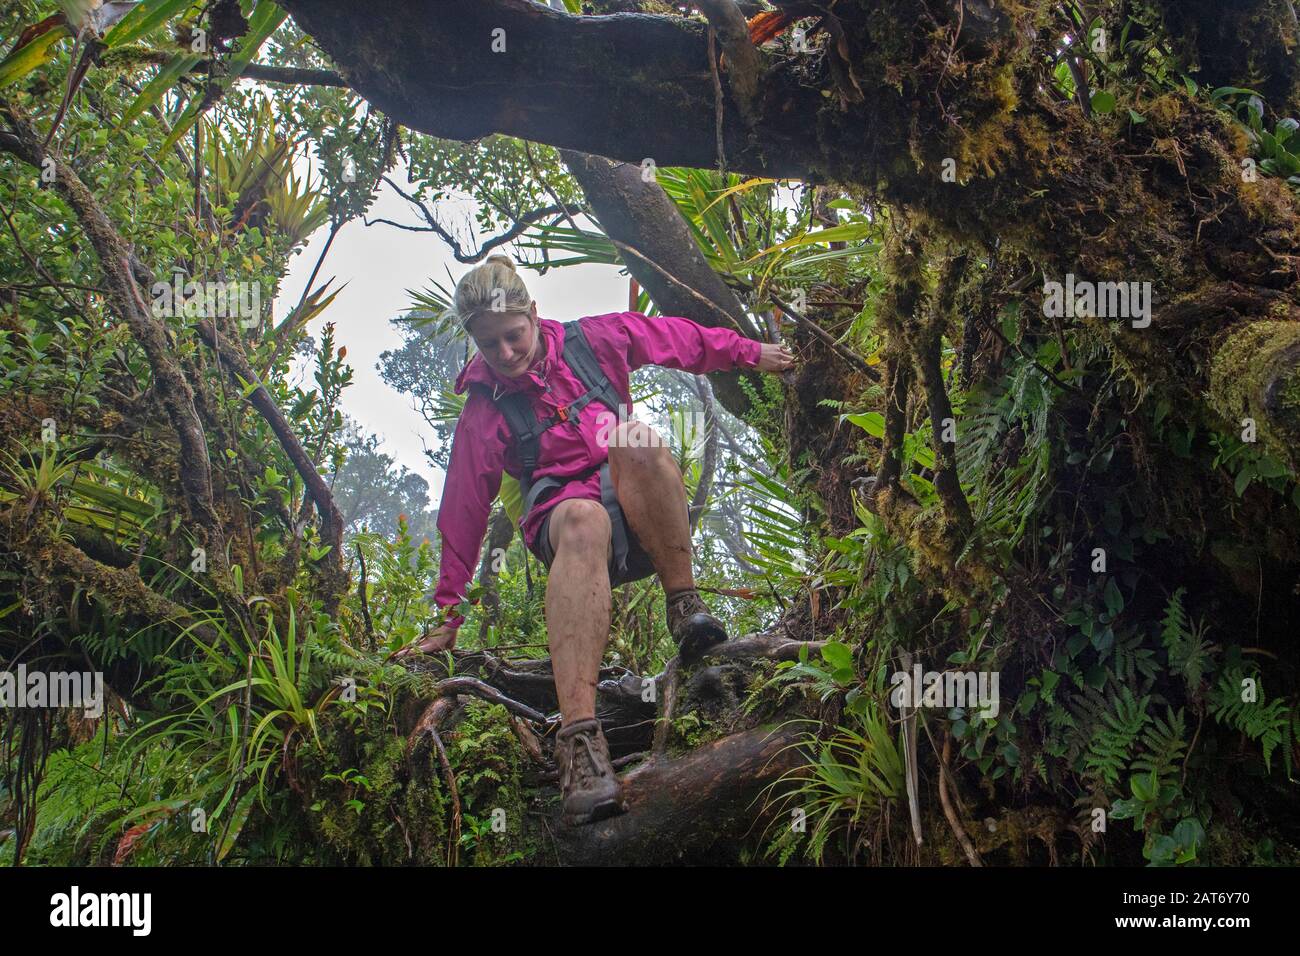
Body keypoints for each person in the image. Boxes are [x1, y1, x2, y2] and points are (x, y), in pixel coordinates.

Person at [398, 254, 795, 825]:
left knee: (634, 434)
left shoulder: (595, 340)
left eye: (513, 337)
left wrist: (752, 353)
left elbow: (677, 339)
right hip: (566, 522)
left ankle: (685, 605)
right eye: (491, 347)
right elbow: (462, 510)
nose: (506, 355)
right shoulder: (485, 412)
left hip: (635, 512)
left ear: (535, 315)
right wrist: (448, 616)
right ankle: (581, 746)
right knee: (583, 517)